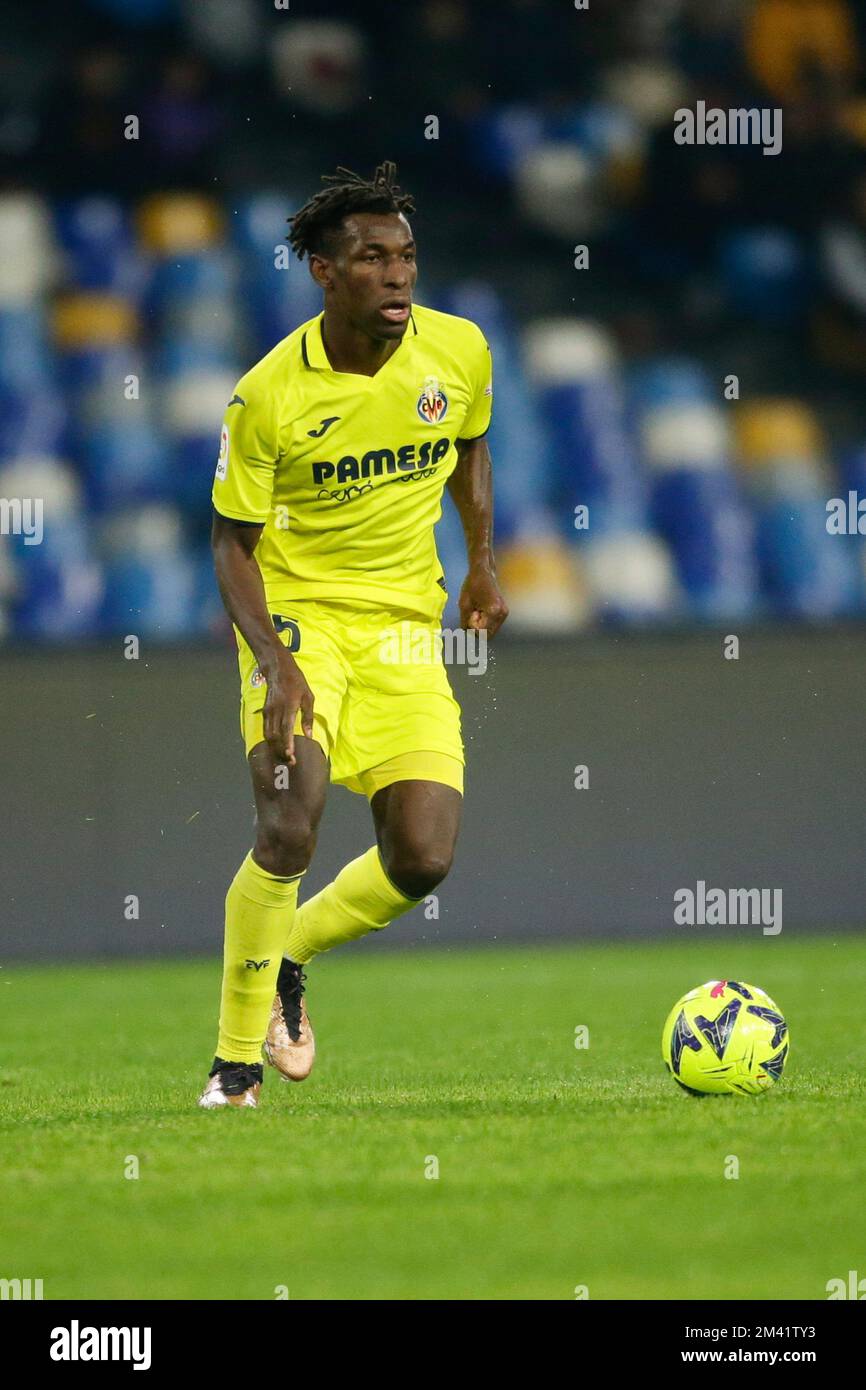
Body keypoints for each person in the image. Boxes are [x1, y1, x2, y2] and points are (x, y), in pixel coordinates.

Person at [199, 162, 508, 1108]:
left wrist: (484, 559)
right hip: (302, 618)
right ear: (323, 272)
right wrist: (276, 661)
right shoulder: (269, 396)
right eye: (372, 258)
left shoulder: (457, 352)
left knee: (421, 856)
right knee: (290, 823)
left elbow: (469, 445)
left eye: (407, 256)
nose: (398, 275)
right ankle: (234, 1066)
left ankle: (287, 952)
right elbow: (230, 545)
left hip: (406, 624)